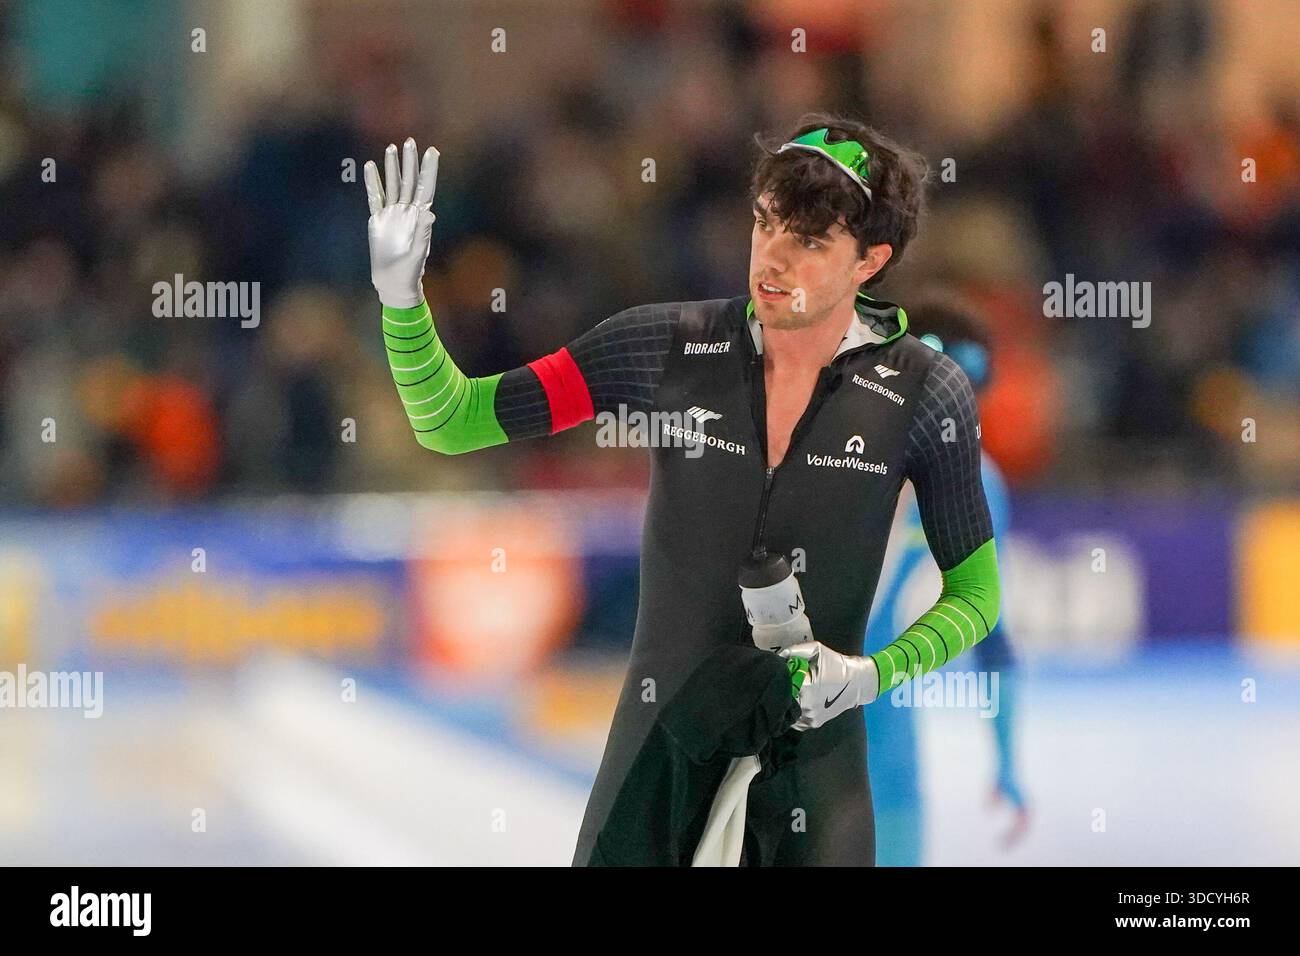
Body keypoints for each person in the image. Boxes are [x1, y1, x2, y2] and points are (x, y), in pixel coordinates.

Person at [363, 112, 1001, 866]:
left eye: (809, 241)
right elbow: (453, 421)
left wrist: (870, 675)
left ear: (871, 261)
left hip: (815, 755)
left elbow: (976, 595)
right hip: (660, 742)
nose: (772, 259)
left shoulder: (928, 394)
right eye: (765, 224)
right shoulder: (664, 345)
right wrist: (401, 299)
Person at [863, 291, 1029, 866]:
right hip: (852, 737)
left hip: (878, 745)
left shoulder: (980, 484)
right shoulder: (830, 459)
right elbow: (995, 642)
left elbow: (994, 637)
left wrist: (1007, 760)